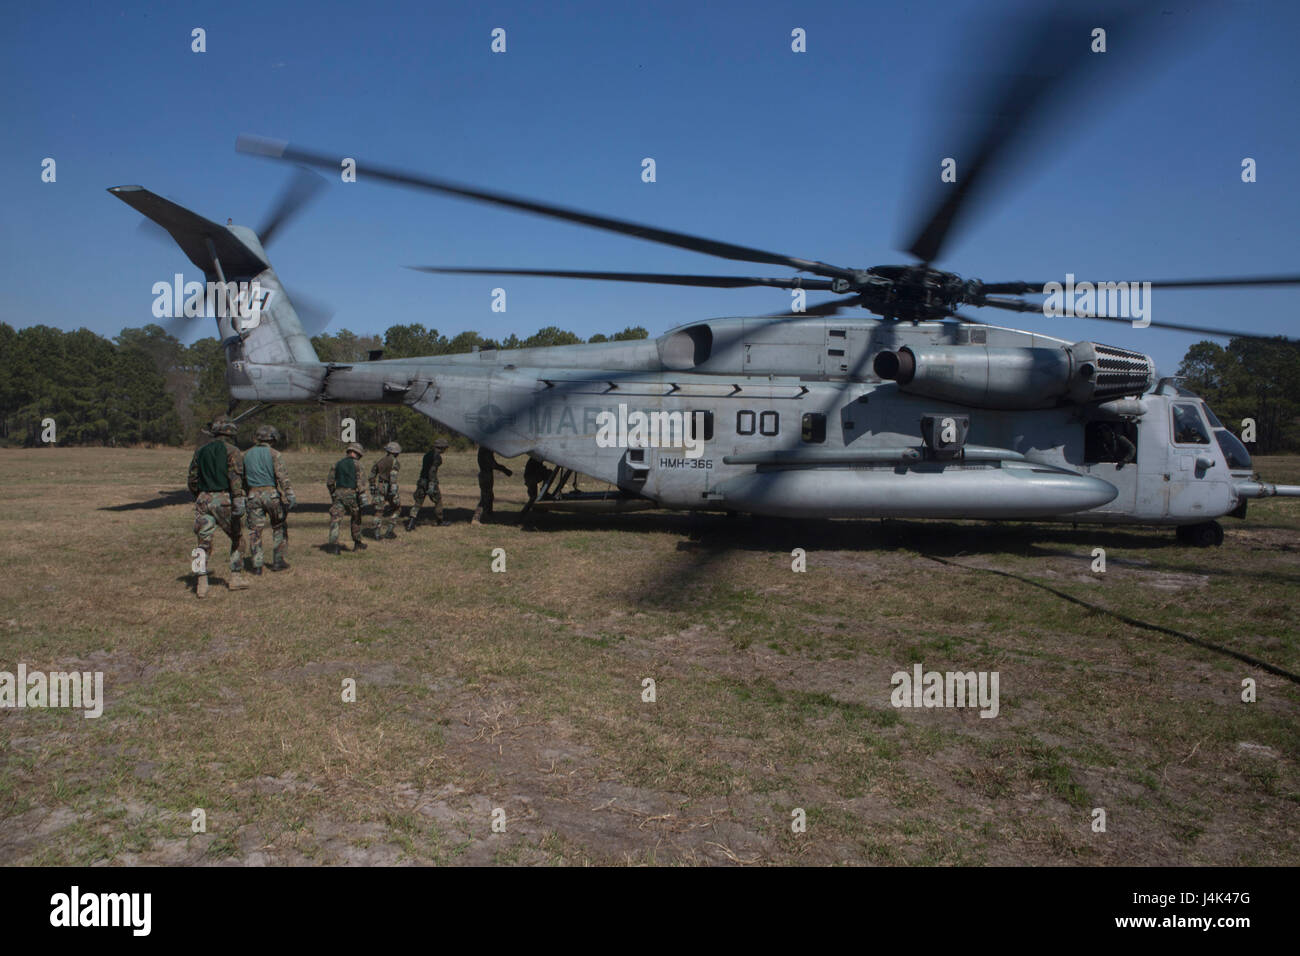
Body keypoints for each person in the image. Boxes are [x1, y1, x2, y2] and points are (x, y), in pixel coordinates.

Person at [186, 418, 247, 597]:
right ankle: (235, 577)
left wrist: (199, 496)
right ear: (231, 433)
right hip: (224, 499)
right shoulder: (233, 451)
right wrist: (237, 500)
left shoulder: (200, 451)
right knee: (238, 538)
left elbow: (192, 479)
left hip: (203, 499)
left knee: (202, 543)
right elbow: (235, 478)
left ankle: (201, 582)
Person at [244, 425, 296, 572]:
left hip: (253, 495)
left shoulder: (246, 454)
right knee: (278, 527)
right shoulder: (274, 454)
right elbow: (282, 477)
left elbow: (241, 478)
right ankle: (278, 561)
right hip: (271, 495)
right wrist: (290, 494)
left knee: (255, 531)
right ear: (273, 438)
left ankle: (257, 565)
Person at [326, 443, 368, 554]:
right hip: (352, 494)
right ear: (357, 453)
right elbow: (361, 483)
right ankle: (357, 543)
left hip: (338, 494)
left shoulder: (337, 464)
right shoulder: (358, 465)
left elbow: (330, 482)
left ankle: (334, 547)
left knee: (335, 519)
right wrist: (362, 496)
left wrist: (333, 494)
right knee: (356, 518)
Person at [407, 438, 451, 529]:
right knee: (438, 501)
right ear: (442, 448)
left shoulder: (427, 454)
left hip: (421, 481)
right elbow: (432, 471)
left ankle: (411, 522)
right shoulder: (437, 457)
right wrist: (431, 485)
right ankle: (440, 521)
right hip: (430, 482)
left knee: (418, 502)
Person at [369, 441, 402, 539]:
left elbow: (371, 476)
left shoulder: (380, 461)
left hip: (380, 486)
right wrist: (393, 489)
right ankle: (389, 531)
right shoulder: (395, 462)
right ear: (396, 452)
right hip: (390, 487)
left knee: (379, 511)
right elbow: (393, 475)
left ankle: (376, 534)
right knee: (397, 508)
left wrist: (372, 487)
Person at [472, 446, 512, 524]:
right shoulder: (486, 452)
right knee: (485, 497)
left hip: (486, 475)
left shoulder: (484, 451)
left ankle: (488, 517)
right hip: (485, 476)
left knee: (489, 497)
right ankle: (476, 518)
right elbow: (492, 464)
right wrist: (504, 469)